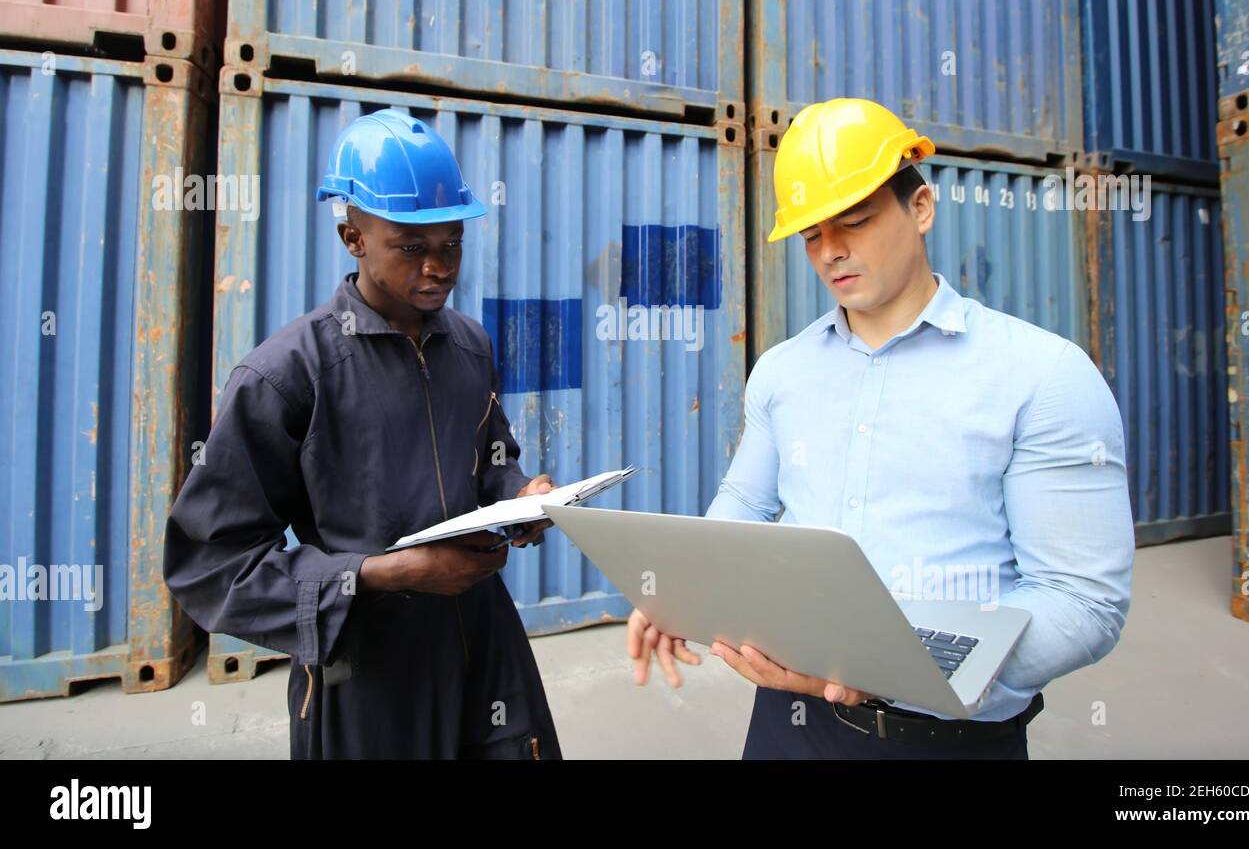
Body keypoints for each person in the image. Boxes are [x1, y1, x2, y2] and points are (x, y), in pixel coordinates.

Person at [627, 98, 1135, 759]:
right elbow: (748, 504)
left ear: (920, 208)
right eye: (812, 234)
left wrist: (886, 674)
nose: (831, 252)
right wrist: (689, 590)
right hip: (788, 724)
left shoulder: (1043, 376)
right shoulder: (781, 373)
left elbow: (1083, 603)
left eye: (856, 222)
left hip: (945, 738)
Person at [164, 108, 561, 759]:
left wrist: (525, 495)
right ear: (354, 237)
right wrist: (375, 575)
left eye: (452, 243)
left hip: (486, 652)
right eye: (412, 247)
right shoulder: (287, 374)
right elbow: (210, 562)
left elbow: (492, 462)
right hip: (367, 678)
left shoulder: (470, 346)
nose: (439, 267)